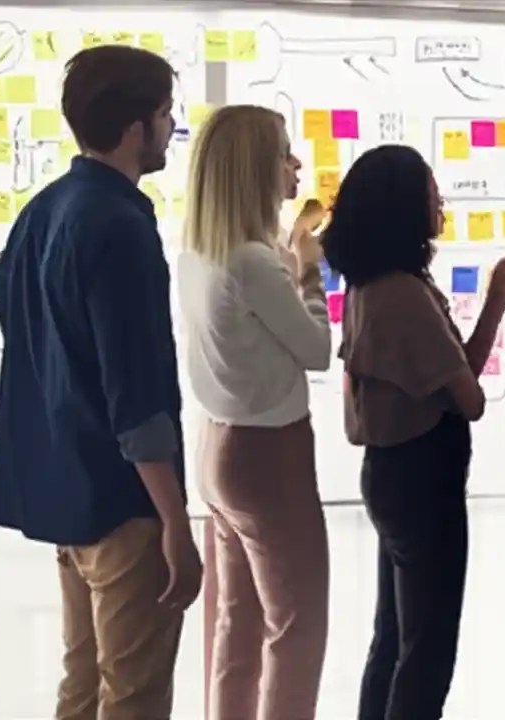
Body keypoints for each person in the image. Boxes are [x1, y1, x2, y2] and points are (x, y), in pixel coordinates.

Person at [0, 45, 201, 719]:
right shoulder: (121, 226)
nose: (171, 127)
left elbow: (14, 308)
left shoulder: (43, 211)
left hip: (66, 496)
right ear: (136, 127)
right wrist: (175, 522)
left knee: (82, 687)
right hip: (124, 502)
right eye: (166, 113)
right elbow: (136, 395)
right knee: (132, 699)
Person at [323, 144, 505, 720]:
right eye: (433, 192)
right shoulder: (404, 294)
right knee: (427, 652)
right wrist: (495, 302)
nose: (441, 202)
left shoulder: (370, 285)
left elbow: (454, 371)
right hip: (422, 482)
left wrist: (497, 302)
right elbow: (471, 398)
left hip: (391, 479)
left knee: (393, 641)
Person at [177, 105, 331, 720]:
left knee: (235, 626)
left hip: (218, 449)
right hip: (270, 457)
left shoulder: (201, 254)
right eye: (284, 153)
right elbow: (317, 349)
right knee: (296, 629)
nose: (296, 165)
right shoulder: (254, 261)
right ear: (252, 170)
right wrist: (311, 271)